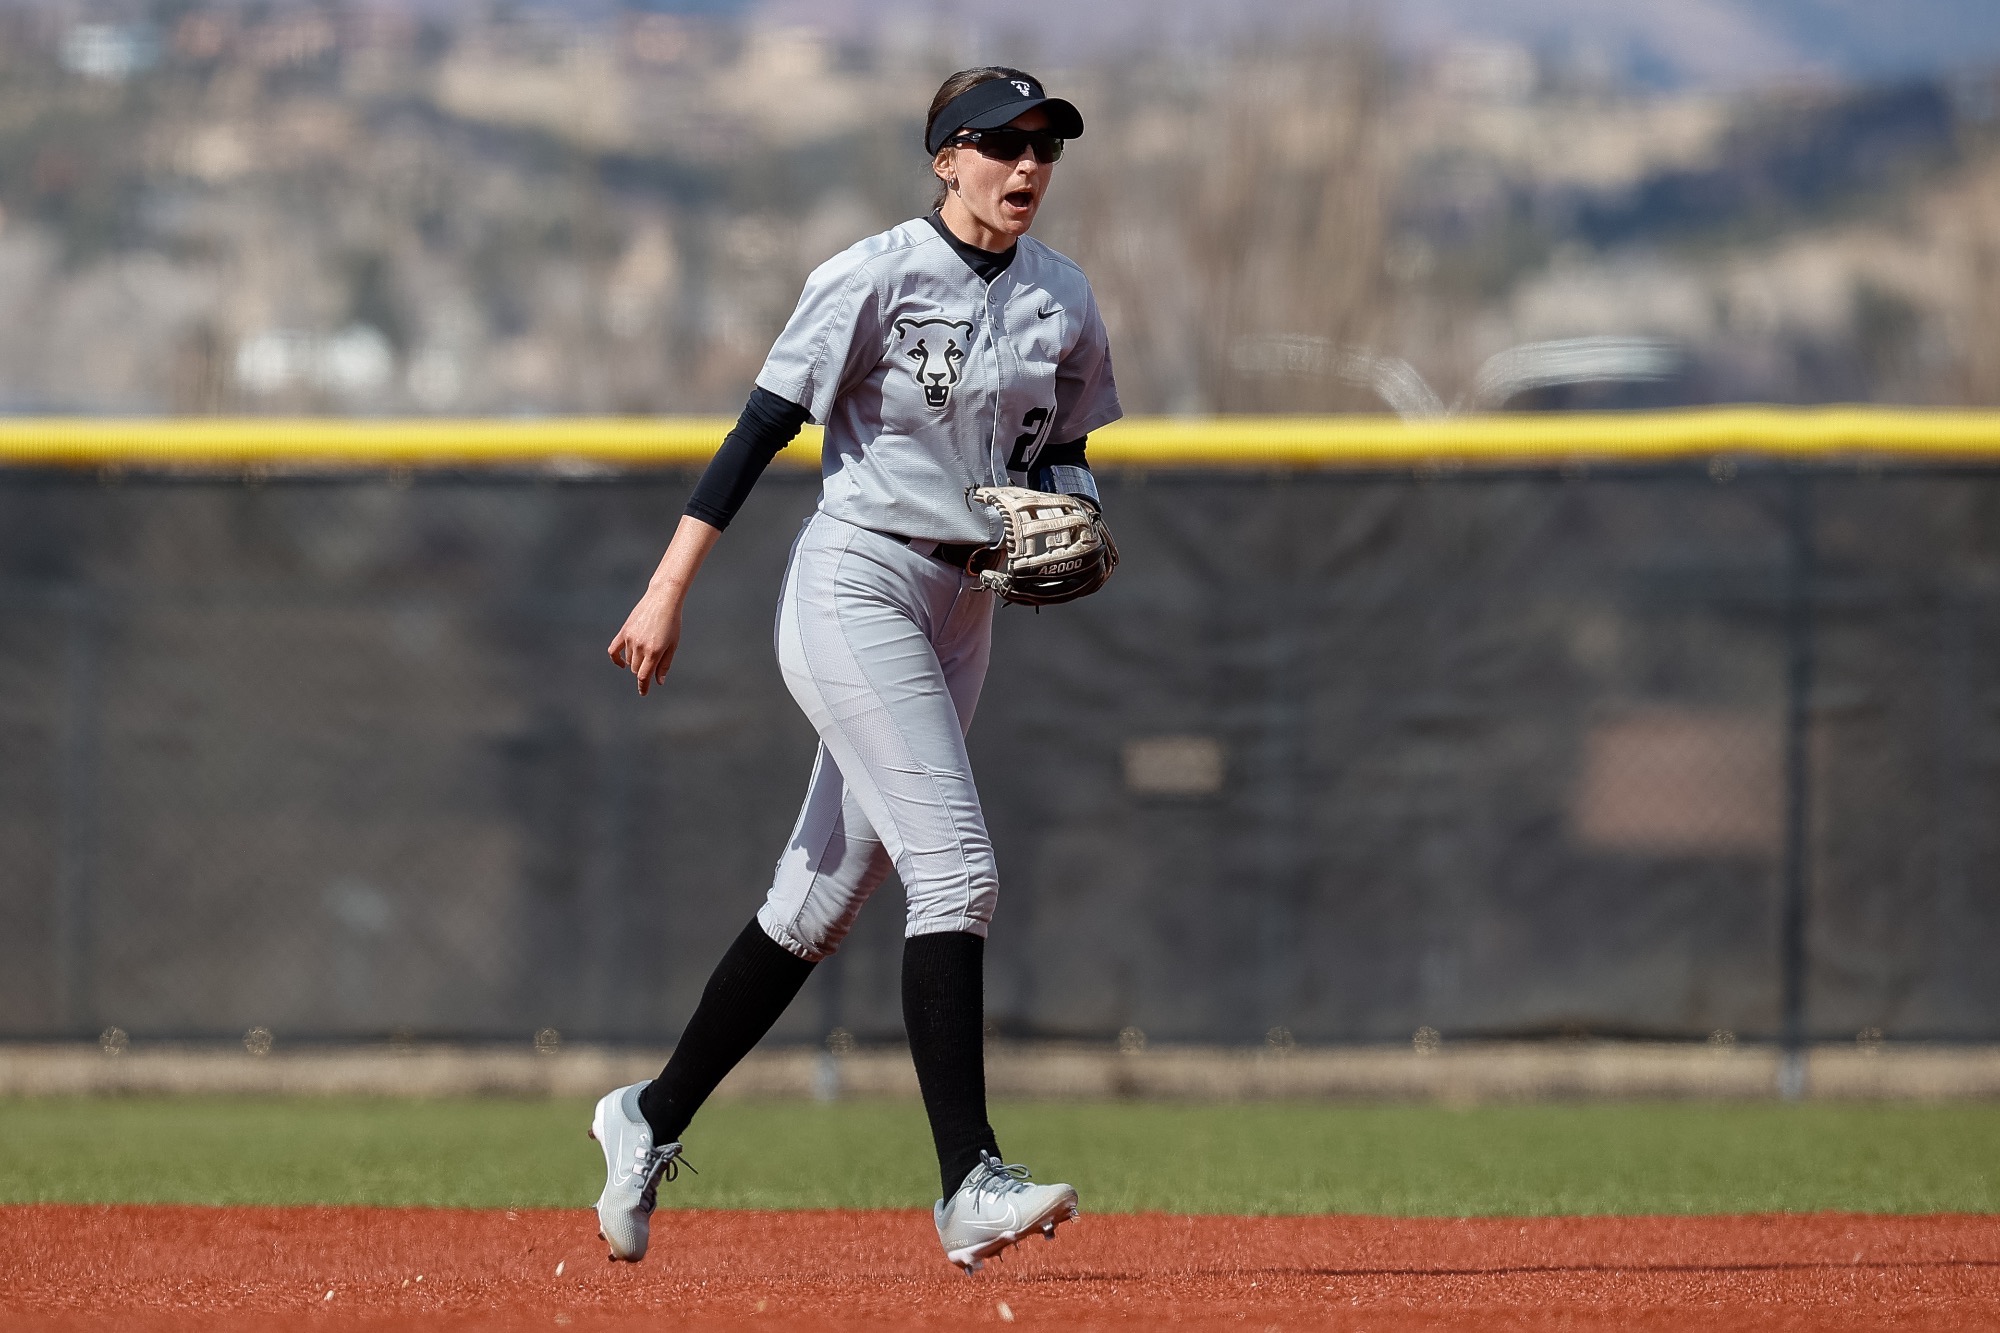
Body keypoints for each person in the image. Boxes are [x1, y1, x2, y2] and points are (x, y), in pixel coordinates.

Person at [590, 65, 1120, 1274]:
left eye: (1046, 146)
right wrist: (666, 589)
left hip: (962, 603)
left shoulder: (1063, 298)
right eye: (1001, 143)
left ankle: (648, 1115)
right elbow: (759, 428)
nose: (1027, 165)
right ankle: (968, 1182)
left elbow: (1070, 445)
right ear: (945, 157)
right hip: (859, 579)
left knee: (820, 902)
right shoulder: (872, 272)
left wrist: (1076, 508)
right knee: (958, 872)